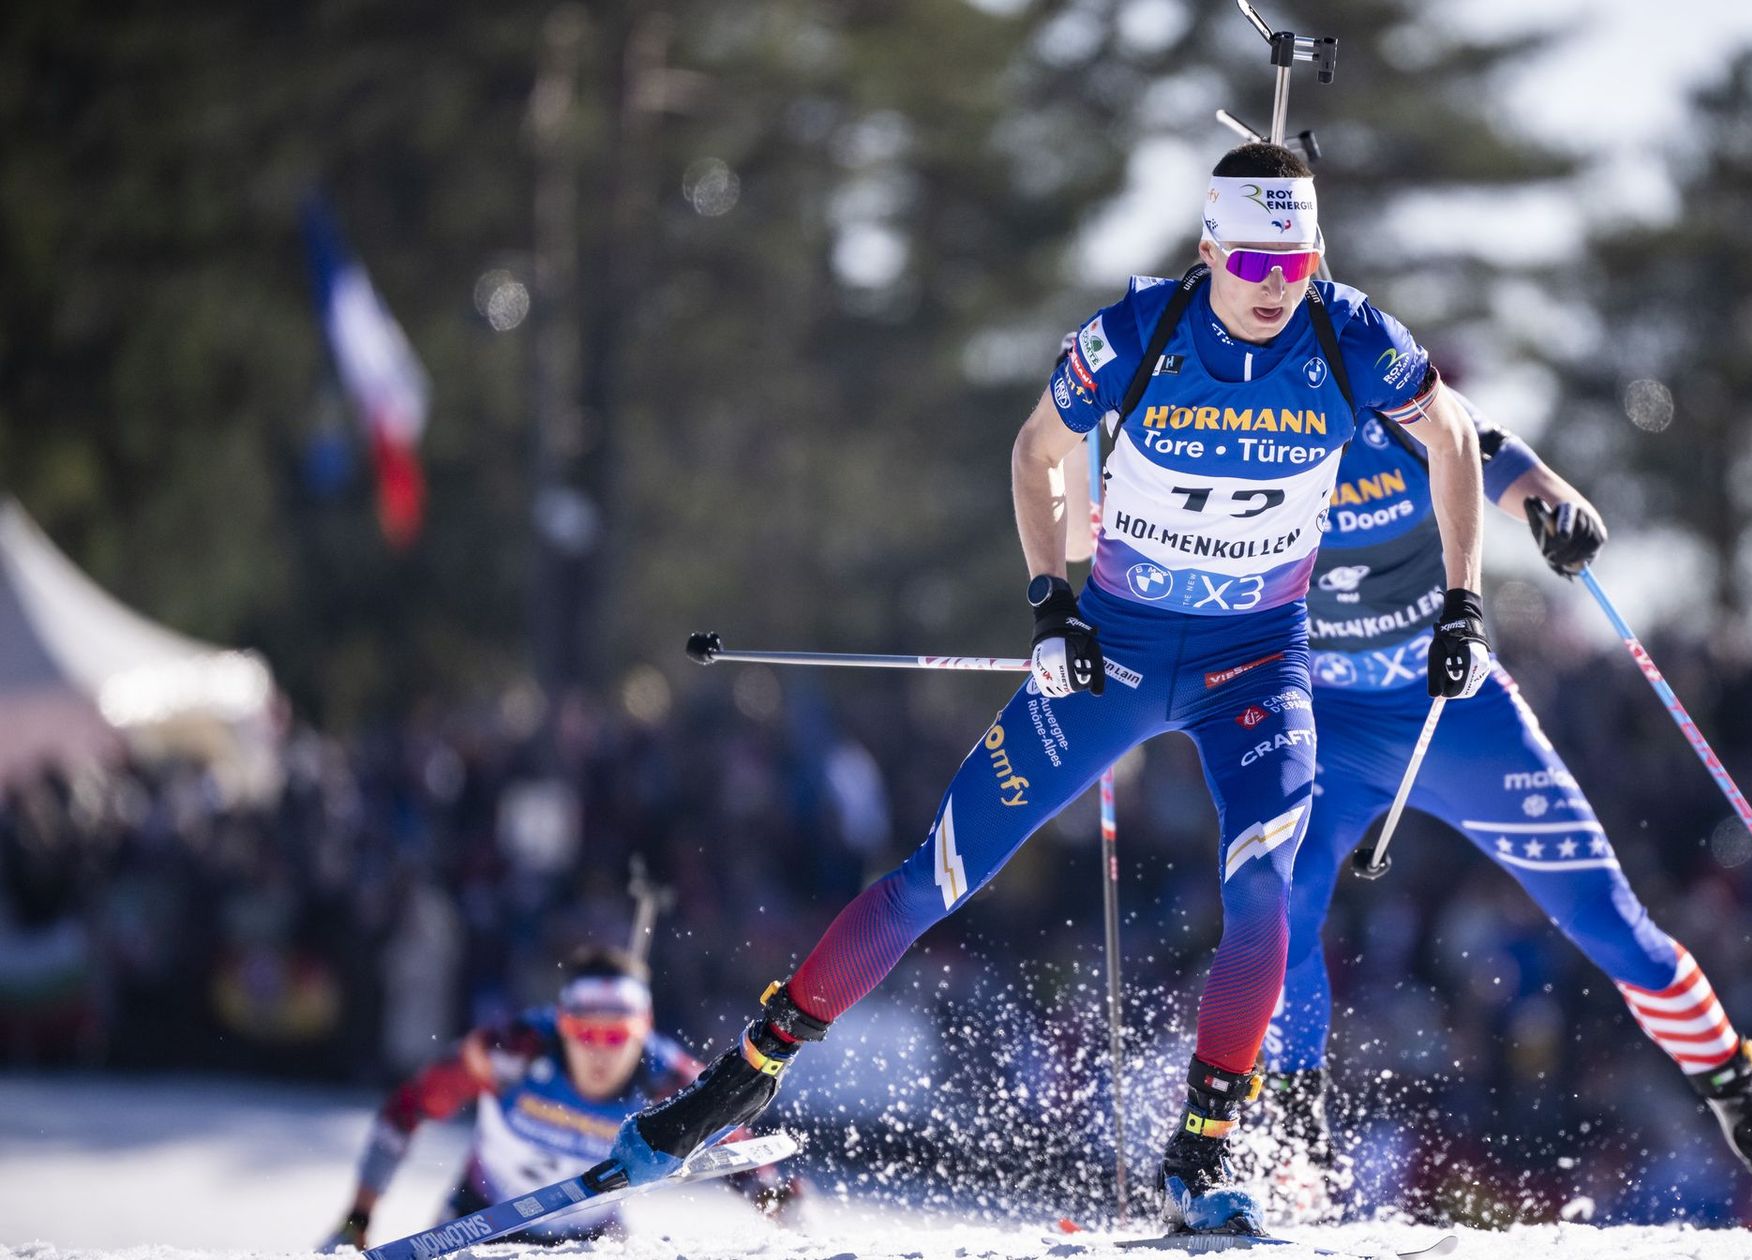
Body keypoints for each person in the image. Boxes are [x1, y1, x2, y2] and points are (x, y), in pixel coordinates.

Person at [600, 142, 1495, 1236]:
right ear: (1210, 247)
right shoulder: (1140, 331)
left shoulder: (1352, 337)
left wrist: (1463, 601)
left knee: (1268, 889)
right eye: (1253, 262)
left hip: (1255, 663)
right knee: (936, 875)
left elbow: (1454, 436)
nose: (1274, 287)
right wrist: (1050, 604)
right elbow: (1036, 454)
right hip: (1116, 656)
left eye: (1295, 263)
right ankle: (740, 1080)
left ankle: (1202, 1149)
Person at [1240, 392, 1752, 1222]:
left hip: (1461, 721)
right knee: (1277, 901)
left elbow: (1495, 454)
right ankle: (1292, 1138)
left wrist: (1557, 504)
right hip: (1329, 723)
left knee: (1608, 920)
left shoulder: (1386, 383)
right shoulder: (1233, 425)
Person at [321, 948, 797, 1249]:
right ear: (561, 1024)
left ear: (642, 1033)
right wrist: (358, 1217)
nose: (599, 1052)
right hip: (481, 1216)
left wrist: (772, 1197)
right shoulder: (513, 1050)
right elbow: (406, 1110)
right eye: (585, 1032)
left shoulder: (665, 1077)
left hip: (589, 1236)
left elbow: (729, 1133)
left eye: (616, 1037)